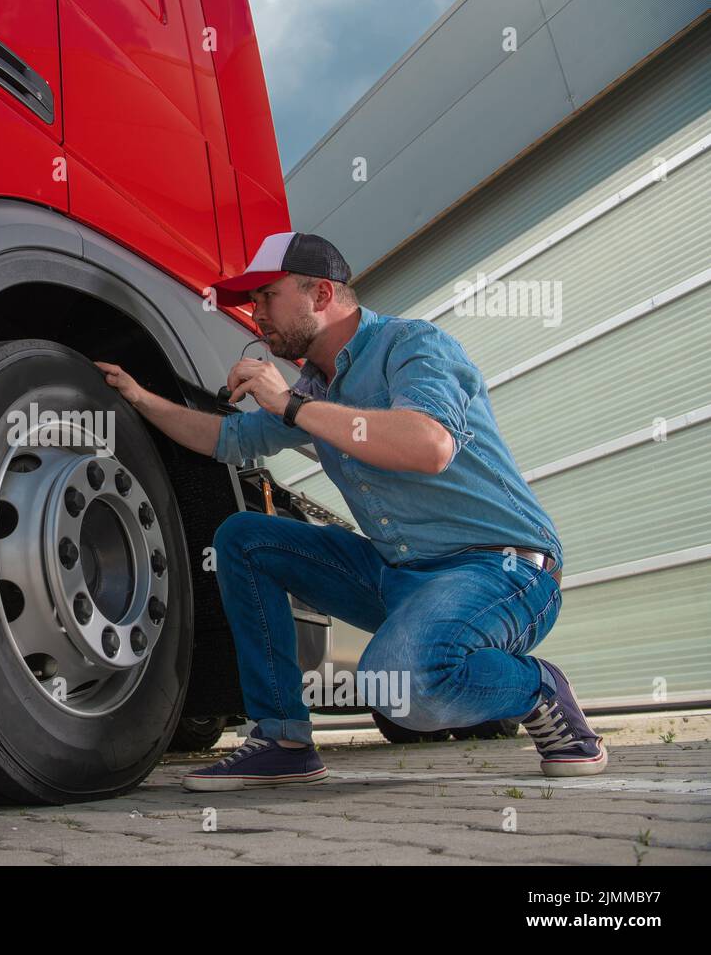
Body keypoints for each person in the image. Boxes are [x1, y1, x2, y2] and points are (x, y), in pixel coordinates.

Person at [95, 231, 606, 791]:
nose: (253, 312)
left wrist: (291, 405)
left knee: (397, 683)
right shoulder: (315, 389)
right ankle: (284, 741)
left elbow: (428, 445)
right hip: (397, 574)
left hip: (502, 570)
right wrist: (141, 398)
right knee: (246, 538)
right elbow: (225, 438)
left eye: (265, 294)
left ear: (319, 294)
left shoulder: (413, 345)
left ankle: (539, 687)